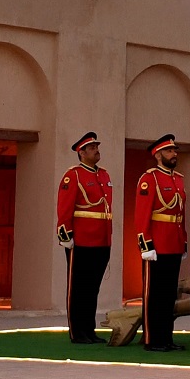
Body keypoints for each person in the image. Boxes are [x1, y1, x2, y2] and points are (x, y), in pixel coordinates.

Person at [55, 132, 113, 343]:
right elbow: (64, 208)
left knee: (92, 288)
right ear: (81, 152)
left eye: (97, 146)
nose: (97, 150)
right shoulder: (74, 175)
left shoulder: (104, 175)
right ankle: (77, 332)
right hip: (81, 241)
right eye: (92, 148)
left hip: (101, 240)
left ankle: (89, 330)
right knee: (78, 287)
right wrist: (65, 234)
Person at [135, 133, 187, 351]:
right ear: (158, 155)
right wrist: (145, 245)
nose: (174, 154)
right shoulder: (149, 179)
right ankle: (151, 339)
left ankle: (166, 338)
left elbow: (181, 214)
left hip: (173, 243)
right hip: (156, 245)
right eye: (169, 151)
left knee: (168, 295)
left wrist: (183, 241)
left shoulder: (179, 179)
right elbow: (142, 215)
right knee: (154, 295)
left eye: (174, 150)